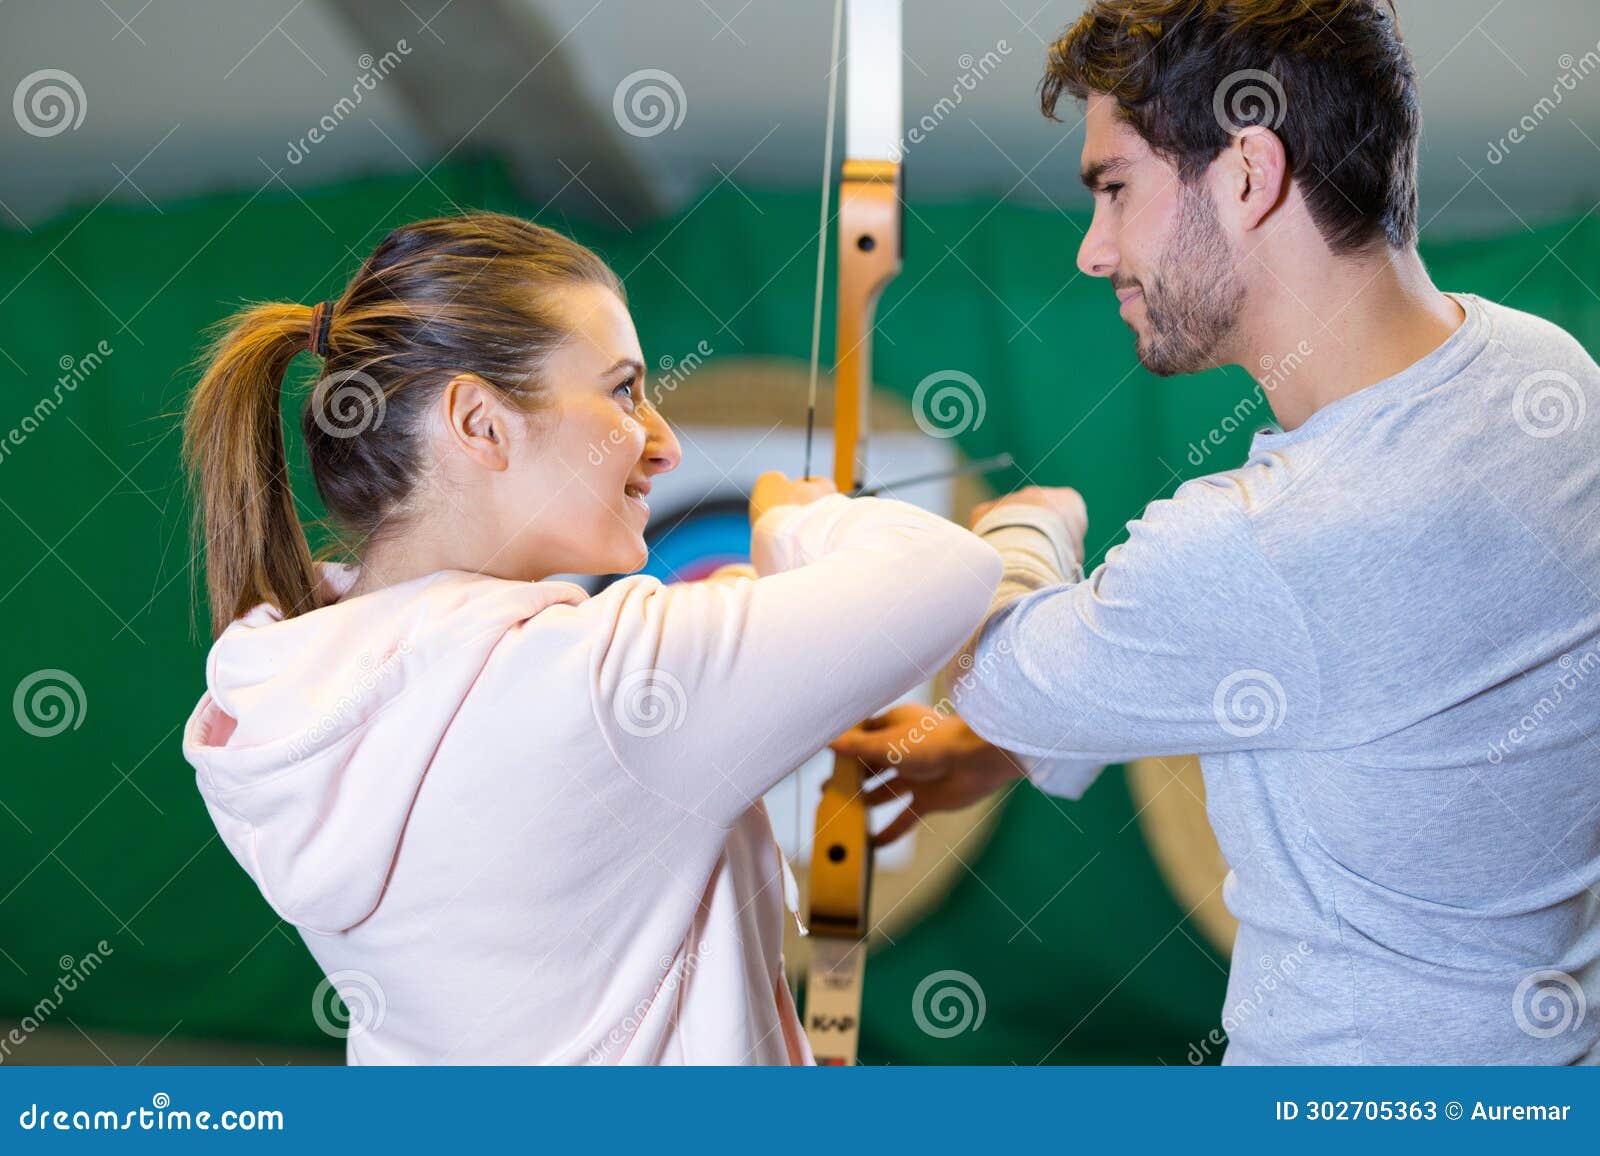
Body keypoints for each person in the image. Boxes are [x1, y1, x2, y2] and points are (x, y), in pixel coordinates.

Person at [833, 0, 1600, 1064]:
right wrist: (1010, 748)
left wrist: (1023, 532)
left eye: (1114, 189)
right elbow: (1379, 684)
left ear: (1246, 172)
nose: (1095, 253)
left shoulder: (1270, 539)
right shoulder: (1545, 375)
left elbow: (991, 666)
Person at [179, 212, 1002, 1064]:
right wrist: (799, 528)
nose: (666, 443)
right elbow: (946, 570)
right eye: (623, 391)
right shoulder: (596, 683)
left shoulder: (291, 691)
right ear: (479, 423)